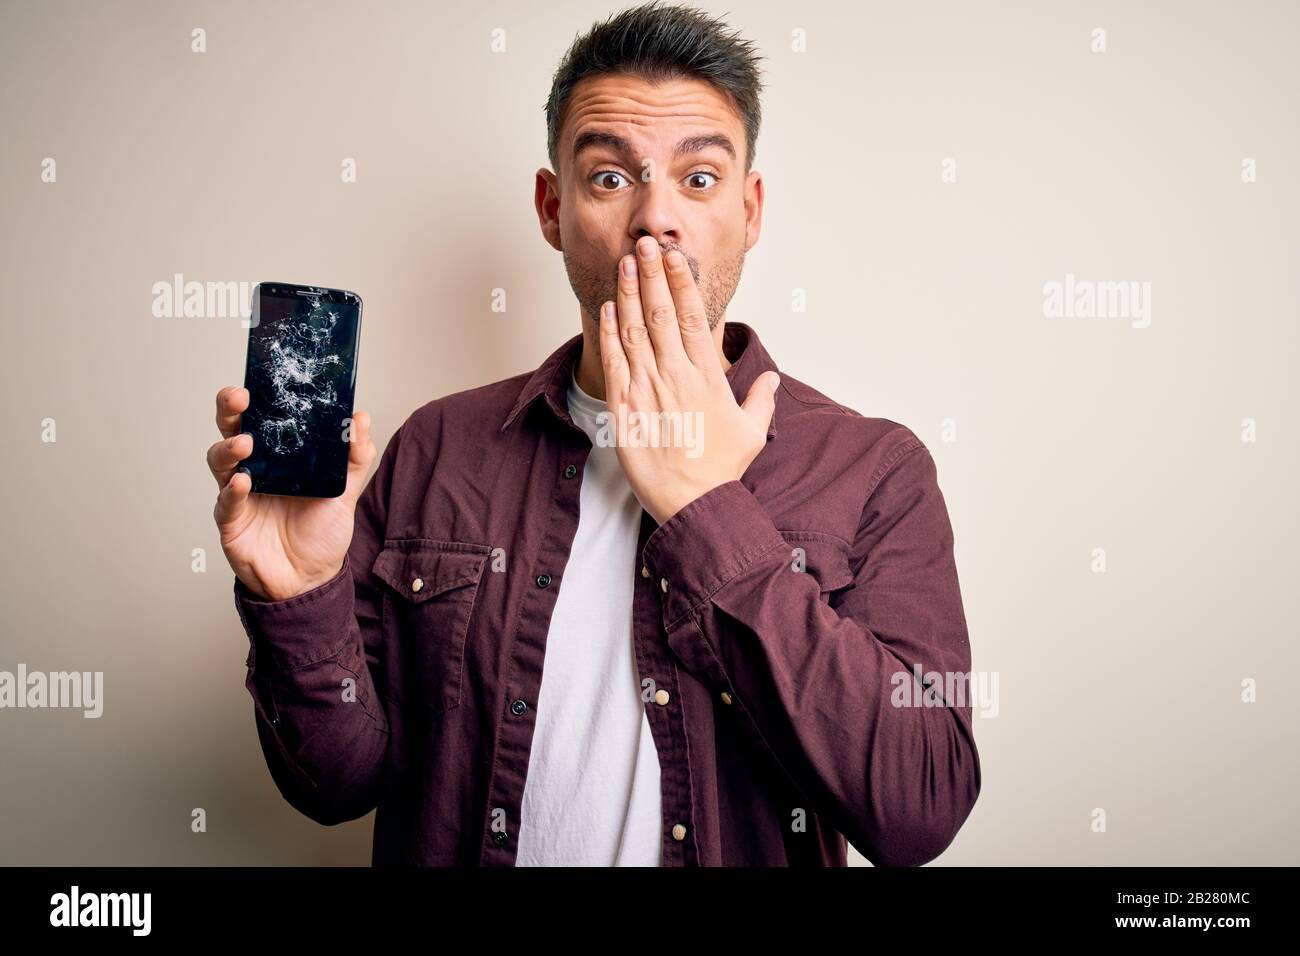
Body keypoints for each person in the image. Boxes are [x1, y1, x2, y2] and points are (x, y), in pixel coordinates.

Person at [206, 0, 980, 866]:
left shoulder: (874, 469)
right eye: (611, 177)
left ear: (751, 211)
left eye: (699, 178)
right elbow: (337, 786)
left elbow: (921, 809)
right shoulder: (435, 449)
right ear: (551, 207)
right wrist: (296, 594)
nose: (656, 217)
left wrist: (708, 508)